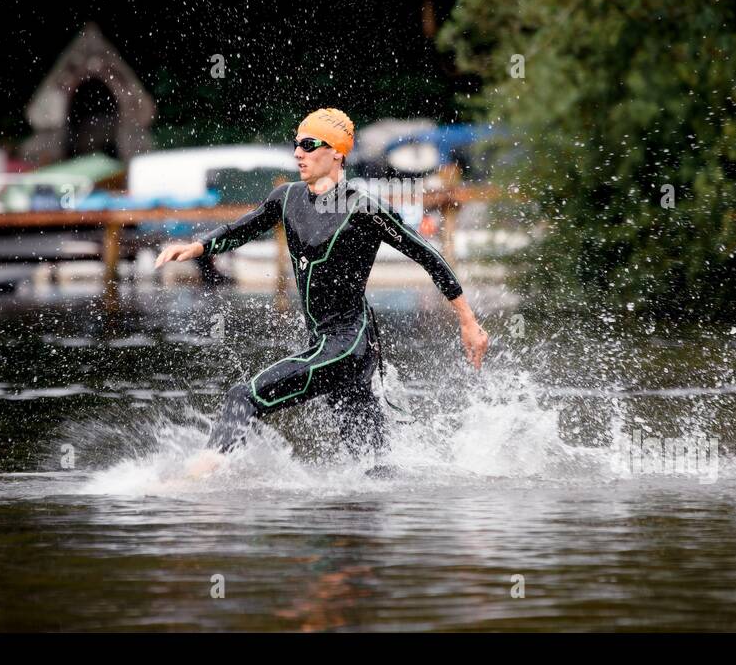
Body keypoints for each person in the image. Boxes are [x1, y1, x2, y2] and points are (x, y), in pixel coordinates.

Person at [155, 107, 489, 472]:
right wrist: (199, 247)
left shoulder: (363, 208)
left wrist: (468, 321)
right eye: (296, 144)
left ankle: (194, 489)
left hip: (347, 345)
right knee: (372, 467)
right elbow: (243, 228)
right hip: (328, 345)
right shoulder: (287, 198)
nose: (298, 152)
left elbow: (426, 254)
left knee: (244, 396)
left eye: (310, 144)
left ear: (337, 154)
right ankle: (377, 515)